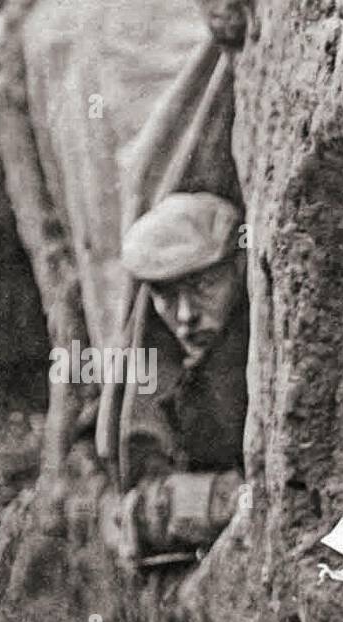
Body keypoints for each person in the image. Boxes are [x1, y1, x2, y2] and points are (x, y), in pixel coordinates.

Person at [103, 192, 249, 564]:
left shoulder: (259, 348)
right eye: (165, 295)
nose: (185, 316)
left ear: (240, 268)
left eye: (204, 287)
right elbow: (132, 503)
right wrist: (224, 498)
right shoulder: (156, 362)